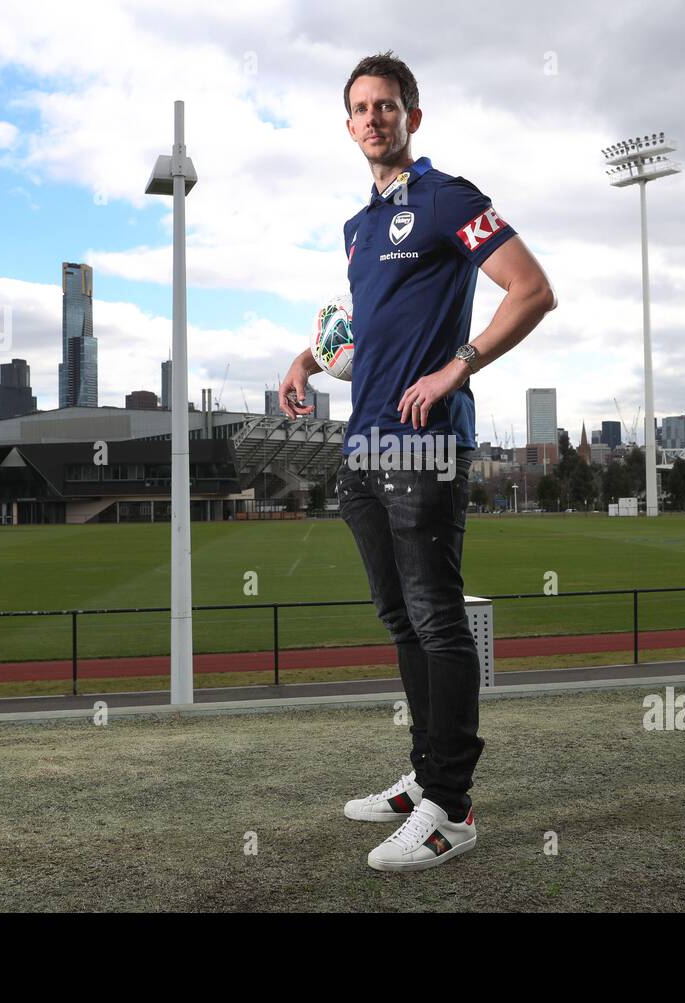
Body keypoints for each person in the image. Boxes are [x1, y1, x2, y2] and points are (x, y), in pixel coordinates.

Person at [279, 51, 557, 872]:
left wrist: (455, 367)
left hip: (425, 444)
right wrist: (303, 357)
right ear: (348, 123)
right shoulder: (359, 228)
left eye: (388, 106)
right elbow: (367, 335)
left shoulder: (448, 199)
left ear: (413, 117)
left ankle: (452, 808)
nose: (374, 118)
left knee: (436, 617)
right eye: (361, 107)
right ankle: (424, 776)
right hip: (362, 445)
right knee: (400, 617)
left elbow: (531, 289)